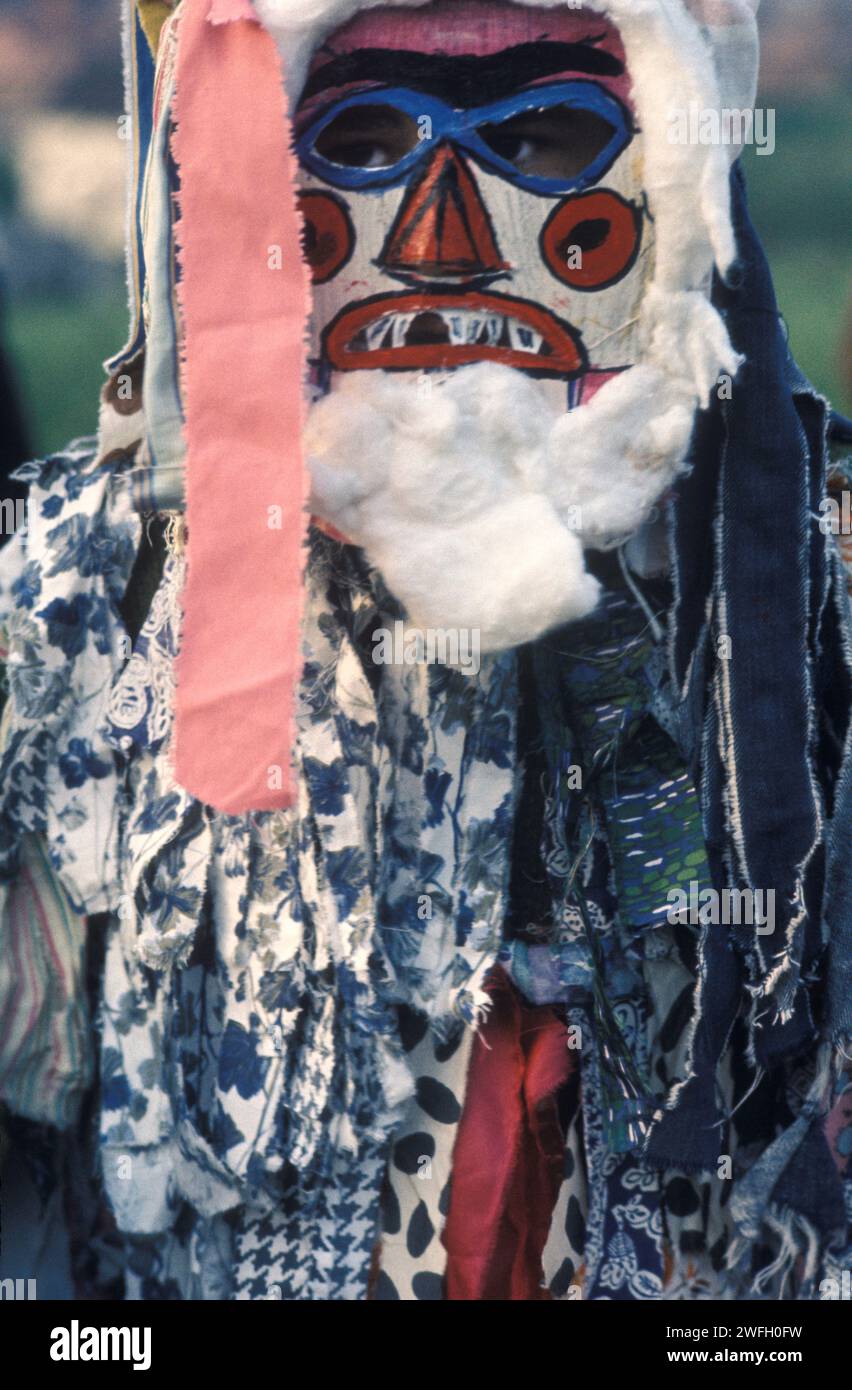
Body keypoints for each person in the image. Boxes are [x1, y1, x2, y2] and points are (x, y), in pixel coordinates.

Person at [1, 0, 850, 1301]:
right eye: (363, 143)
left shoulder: (807, 580)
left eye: (547, 137)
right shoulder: (77, 589)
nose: (442, 243)